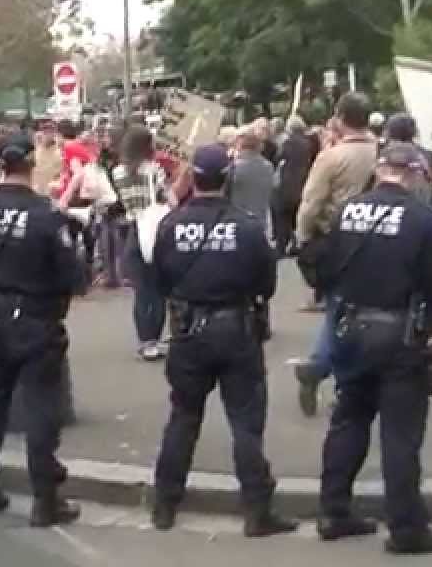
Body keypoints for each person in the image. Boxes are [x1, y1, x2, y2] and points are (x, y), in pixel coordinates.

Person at [149, 144, 296, 538]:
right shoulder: (247, 227)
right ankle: (257, 510)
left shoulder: (171, 225)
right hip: (236, 330)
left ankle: (165, 503)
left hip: (187, 331)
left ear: (193, 178)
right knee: (246, 423)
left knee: (183, 417)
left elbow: (159, 279)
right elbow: (267, 283)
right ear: (227, 178)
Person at [313, 143, 432, 555]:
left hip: (350, 326)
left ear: (380, 170)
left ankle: (334, 510)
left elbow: (325, 266)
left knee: (348, 420)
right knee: (400, 433)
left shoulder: (348, 211)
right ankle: (407, 527)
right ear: (411, 173)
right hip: (398, 333)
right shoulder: (422, 220)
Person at [0, 132, 84, 528]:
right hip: (36, 319)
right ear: (31, 165)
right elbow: (73, 274)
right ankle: (45, 500)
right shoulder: (46, 215)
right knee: (40, 411)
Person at [293, 93, 379, 416]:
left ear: (340, 118)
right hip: (377, 238)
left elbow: (311, 204)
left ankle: (321, 368)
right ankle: (342, 379)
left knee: (340, 308)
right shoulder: (381, 152)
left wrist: (302, 238)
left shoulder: (331, 158)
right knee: (368, 309)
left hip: (337, 239)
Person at [112, 127, 173, 362]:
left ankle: (144, 339)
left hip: (132, 228)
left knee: (141, 291)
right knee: (157, 290)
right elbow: (166, 198)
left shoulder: (118, 172)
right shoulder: (154, 170)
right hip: (153, 229)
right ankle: (154, 338)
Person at [272, 115, 317, 256]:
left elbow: (277, 158)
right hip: (303, 181)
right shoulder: (309, 143)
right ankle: (296, 243)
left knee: (281, 213)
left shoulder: (288, 143)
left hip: (288, 183)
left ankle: (281, 246)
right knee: (295, 215)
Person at [227, 125, 275, 237]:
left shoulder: (235, 168)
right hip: (260, 221)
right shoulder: (269, 167)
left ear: (240, 145)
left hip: (236, 222)